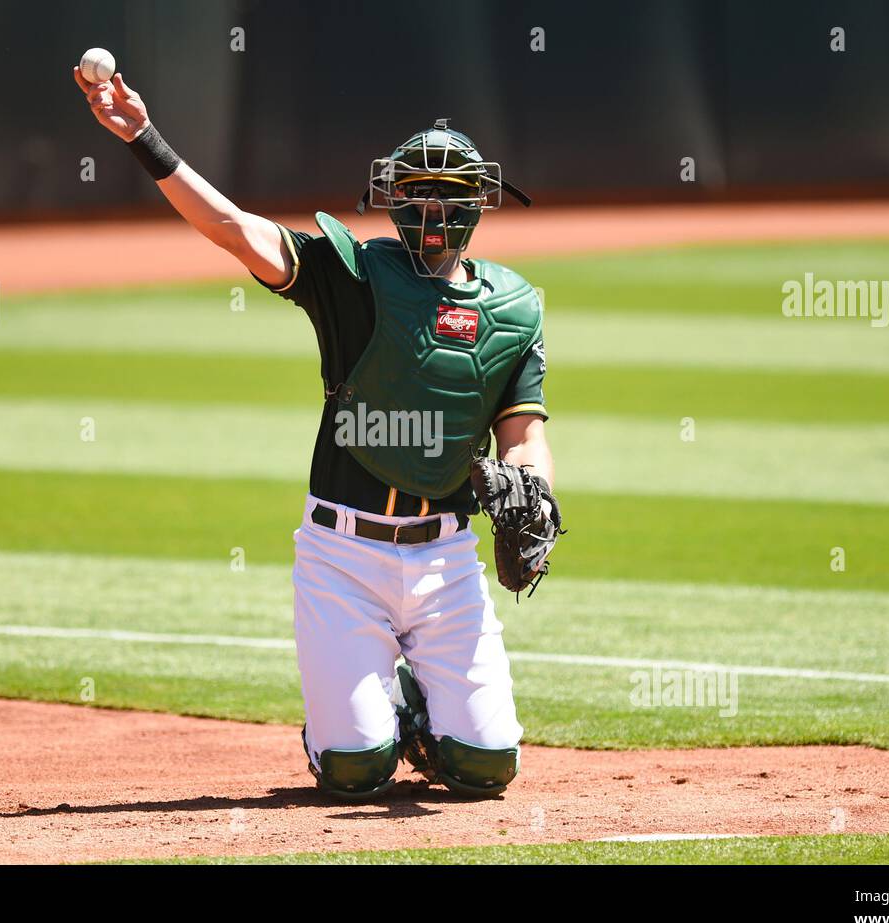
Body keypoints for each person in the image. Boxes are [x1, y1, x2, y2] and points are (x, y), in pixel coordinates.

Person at [75, 68, 559, 800]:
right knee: (355, 773)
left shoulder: (515, 310)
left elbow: (521, 433)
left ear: (475, 202)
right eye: (416, 191)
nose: (431, 206)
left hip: (446, 561)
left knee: (487, 767)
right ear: (391, 198)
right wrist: (145, 137)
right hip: (342, 558)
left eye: (448, 192)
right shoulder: (350, 273)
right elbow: (234, 230)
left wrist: (533, 489)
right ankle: (359, 724)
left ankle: (424, 714)